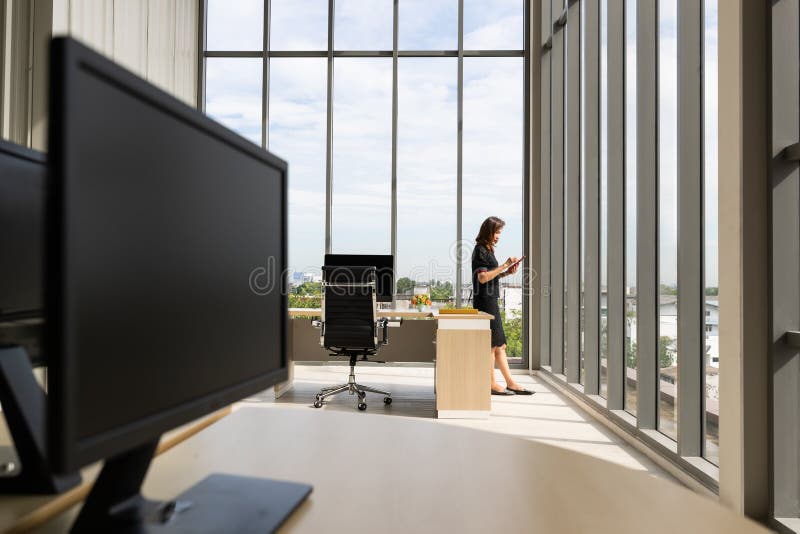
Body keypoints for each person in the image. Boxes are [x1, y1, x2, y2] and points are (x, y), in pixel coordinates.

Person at [471, 216, 534, 396]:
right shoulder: (480, 250)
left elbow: (490, 277)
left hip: (490, 299)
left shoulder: (487, 250)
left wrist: (506, 272)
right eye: (497, 232)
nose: (499, 236)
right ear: (488, 231)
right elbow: (482, 278)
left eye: (500, 232)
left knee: (500, 345)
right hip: (485, 301)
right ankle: (491, 384)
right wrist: (505, 264)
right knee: (492, 344)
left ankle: (510, 383)